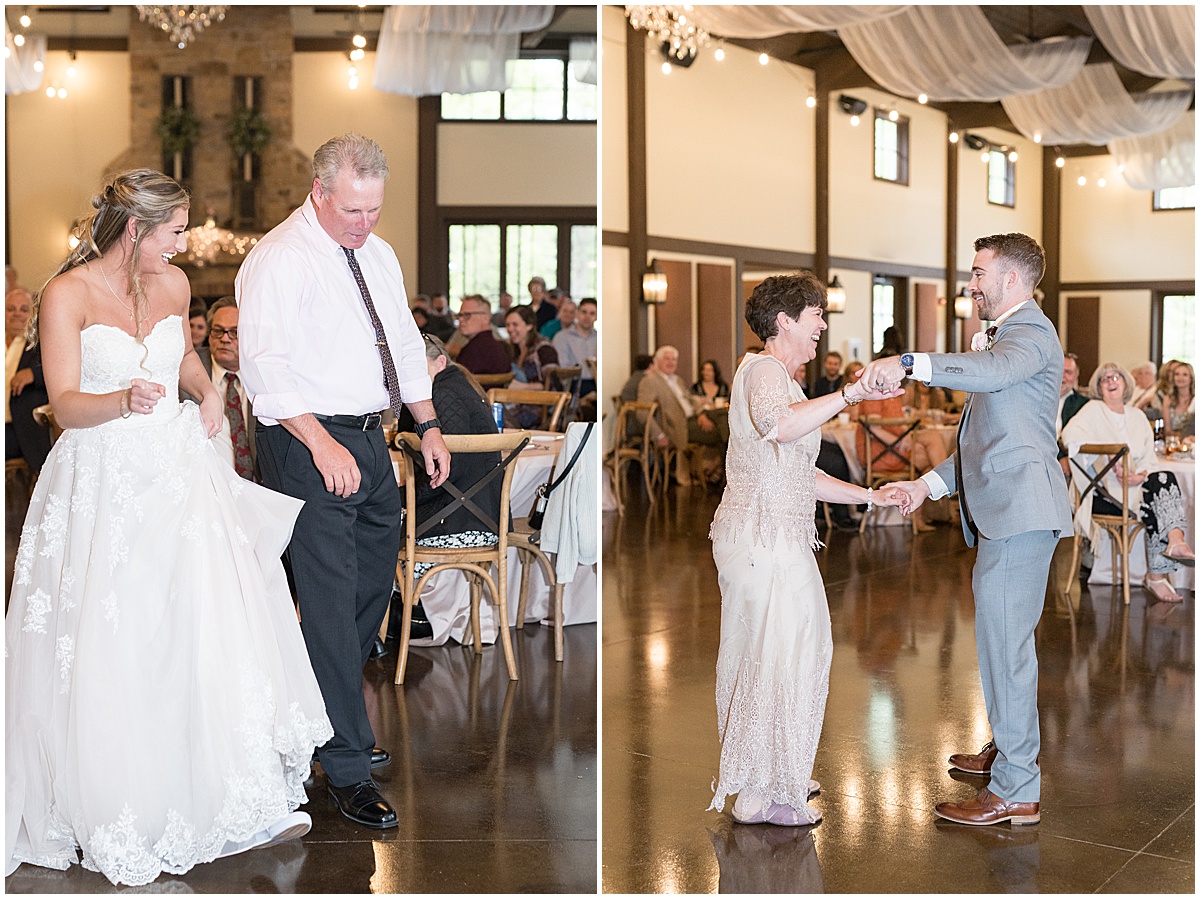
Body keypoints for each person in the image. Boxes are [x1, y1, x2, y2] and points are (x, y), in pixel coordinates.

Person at [5, 169, 331, 886]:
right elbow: (64, 403)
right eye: (175, 231)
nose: (183, 244)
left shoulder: (177, 286)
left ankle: (223, 789)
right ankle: (121, 797)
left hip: (177, 472)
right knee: (116, 631)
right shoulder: (67, 294)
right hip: (102, 475)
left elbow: (181, 353)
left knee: (197, 620)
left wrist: (205, 390)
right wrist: (121, 399)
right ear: (136, 230)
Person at [236, 134, 450, 831]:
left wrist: (428, 423)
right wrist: (321, 441)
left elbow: (406, 343)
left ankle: (322, 720)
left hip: (368, 436)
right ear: (319, 192)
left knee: (371, 586)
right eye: (352, 210)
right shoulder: (279, 258)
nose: (364, 222)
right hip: (305, 438)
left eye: (374, 209)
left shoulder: (377, 254)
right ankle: (347, 765)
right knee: (328, 597)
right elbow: (264, 366)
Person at [861, 232, 1073, 827]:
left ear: (1010, 279)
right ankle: (1008, 749)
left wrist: (910, 363)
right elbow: (985, 443)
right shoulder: (1009, 337)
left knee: (1006, 649)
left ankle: (1016, 789)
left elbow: (992, 371)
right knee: (1001, 643)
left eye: (979, 273)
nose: (971, 284)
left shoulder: (1030, 334)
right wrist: (923, 487)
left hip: (1020, 512)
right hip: (1007, 511)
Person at [708, 272, 905, 826]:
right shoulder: (763, 371)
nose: (822, 324)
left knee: (790, 652)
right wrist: (851, 393)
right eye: (816, 314)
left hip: (776, 537)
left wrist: (870, 496)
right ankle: (761, 793)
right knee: (779, 656)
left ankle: (774, 772)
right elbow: (780, 428)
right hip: (761, 540)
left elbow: (801, 473)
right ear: (785, 320)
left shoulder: (782, 380)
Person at [392, 333, 503, 640]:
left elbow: (445, 473)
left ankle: (393, 622)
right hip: (484, 519)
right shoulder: (459, 386)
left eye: (419, 369)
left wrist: (400, 497)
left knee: (376, 521)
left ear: (440, 362)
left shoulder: (444, 392)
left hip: (459, 524)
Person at [1062, 362, 1195, 602]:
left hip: (1137, 488)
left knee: (1163, 478)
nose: (1111, 381)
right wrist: (1108, 454)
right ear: (1099, 386)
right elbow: (1069, 438)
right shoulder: (1092, 410)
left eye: (1116, 377)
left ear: (1126, 384)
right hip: (1104, 492)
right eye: (1105, 378)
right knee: (1155, 499)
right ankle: (1159, 570)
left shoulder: (1137, 416)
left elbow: (1150, 459)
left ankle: (1174, 542)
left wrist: (1139, 476)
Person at [199, 295, 256, 478]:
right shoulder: (189, 373)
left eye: (234, 332)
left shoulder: (263, 373)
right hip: (205, 480)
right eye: (218, 331)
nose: (225, 339)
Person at [6, 286, 51, 471]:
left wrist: (33, 374)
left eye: (24, 309)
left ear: (32, 315)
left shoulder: (40, 342)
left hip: (21, 427)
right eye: (11, 309)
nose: (17, 314)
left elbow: (60, 369)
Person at [552, 296, 597, 395]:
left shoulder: (599, 338)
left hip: (595, 382)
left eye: (592, 313)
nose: (587, 317)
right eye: (584, 312)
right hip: (572, 384)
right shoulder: (562, 337)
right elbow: (561, 369)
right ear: (577, 313)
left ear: (596, 317)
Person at [1161, 361, 1195, 440]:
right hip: (1173, 441)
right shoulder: (1167, 399)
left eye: (1185, 375)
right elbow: (1167, 431)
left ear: (1191, 378)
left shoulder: (1195, 400)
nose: (1180, 378)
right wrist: (1181, 437)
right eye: (1177, 374)